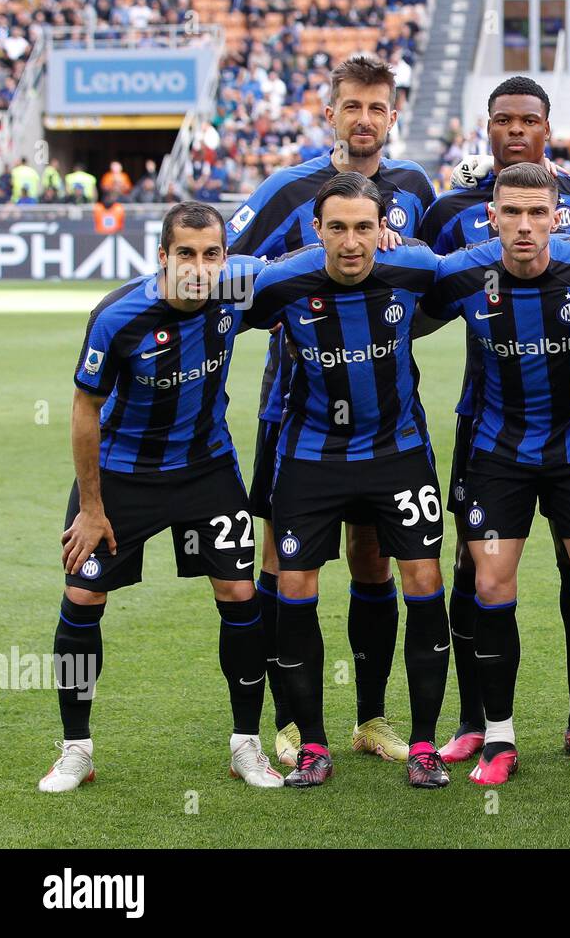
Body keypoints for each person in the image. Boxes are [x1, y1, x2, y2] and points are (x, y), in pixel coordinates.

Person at [226, 53, 437, 769]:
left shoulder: (413, 187)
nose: (366, 120)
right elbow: (227, 269)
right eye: (353, 106)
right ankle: (288, 721)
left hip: (385, 416)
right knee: (284, 559)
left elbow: (427, 288)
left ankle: (371, 718)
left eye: (378, 108)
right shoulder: (289, 190)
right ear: (330, 111)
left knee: (373, 557)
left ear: (393, 113)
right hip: (296, 410)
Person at [423, 75, 570, 766]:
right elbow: (409, 300)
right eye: (503, 119)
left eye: (535, 214)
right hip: (490, 439)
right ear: (491, 215)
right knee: (478, 580)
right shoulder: (456, 237)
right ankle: (485, 727)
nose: (522, 224)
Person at [39, 203, 278, 792]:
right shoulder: (118, 316)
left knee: (239, 593)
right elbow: (84, 409)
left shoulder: (238, 286)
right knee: (82, 594)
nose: (200, 268)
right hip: (122, 477)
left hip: (207, 469)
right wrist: (92, 508)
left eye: (211, 254)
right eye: (186, 255)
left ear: (225, 256)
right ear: (163, 257)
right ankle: (76, 750)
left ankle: (246, 744)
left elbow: (303, 267)